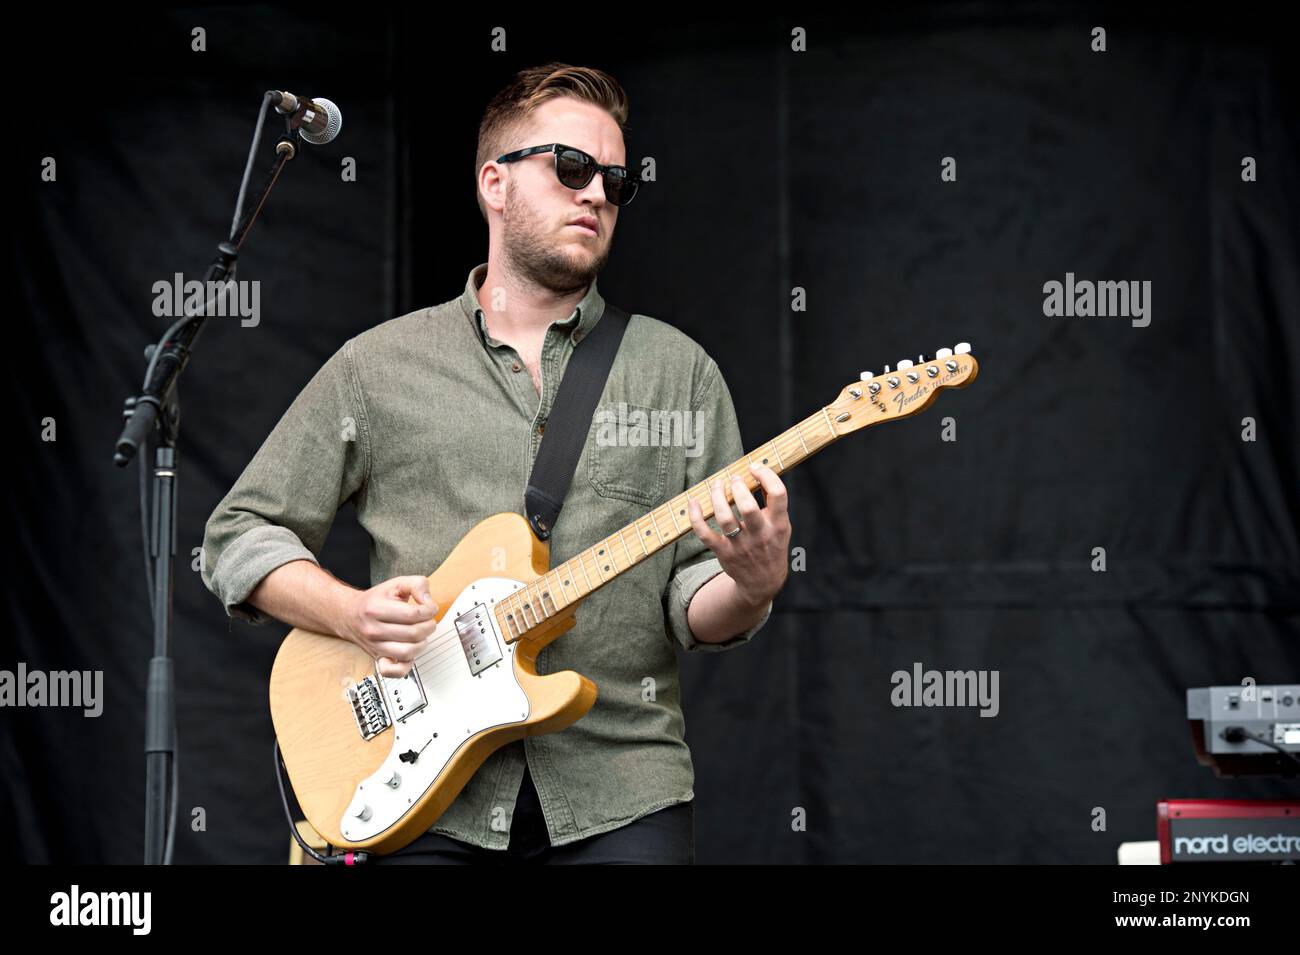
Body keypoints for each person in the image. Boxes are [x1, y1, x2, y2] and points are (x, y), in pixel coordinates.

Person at [201, 62, 792, 864]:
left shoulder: (679, 373)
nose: (596, 195)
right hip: (416, 794)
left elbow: (691, 601)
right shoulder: (378, 367)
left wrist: (752, 583)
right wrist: (350, 613)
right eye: (571, 168)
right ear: (495, 184)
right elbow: (238, 532)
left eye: (615, 182)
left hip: (619, 788)